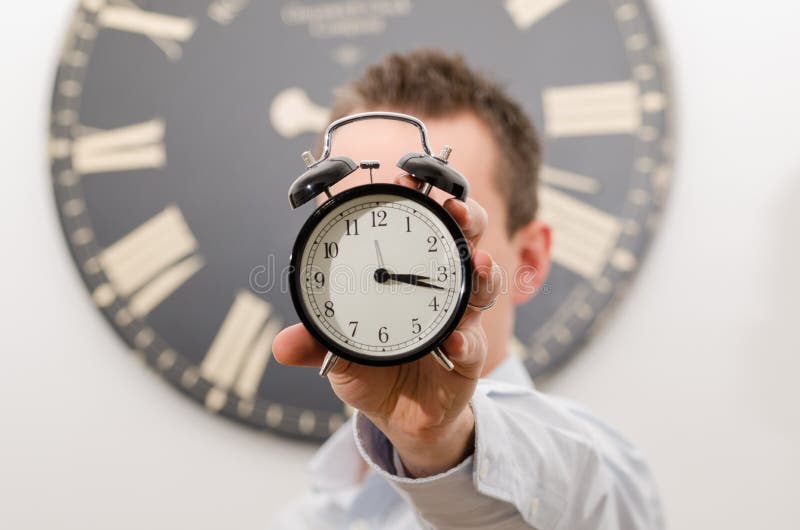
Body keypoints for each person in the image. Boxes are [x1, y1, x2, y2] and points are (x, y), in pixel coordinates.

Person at [271, 49, 664, 530]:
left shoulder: (596, 472)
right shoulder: (308, 518)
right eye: (360, 217)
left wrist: (441, 443)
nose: (389, 257)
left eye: (431, 226)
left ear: (530, 260)